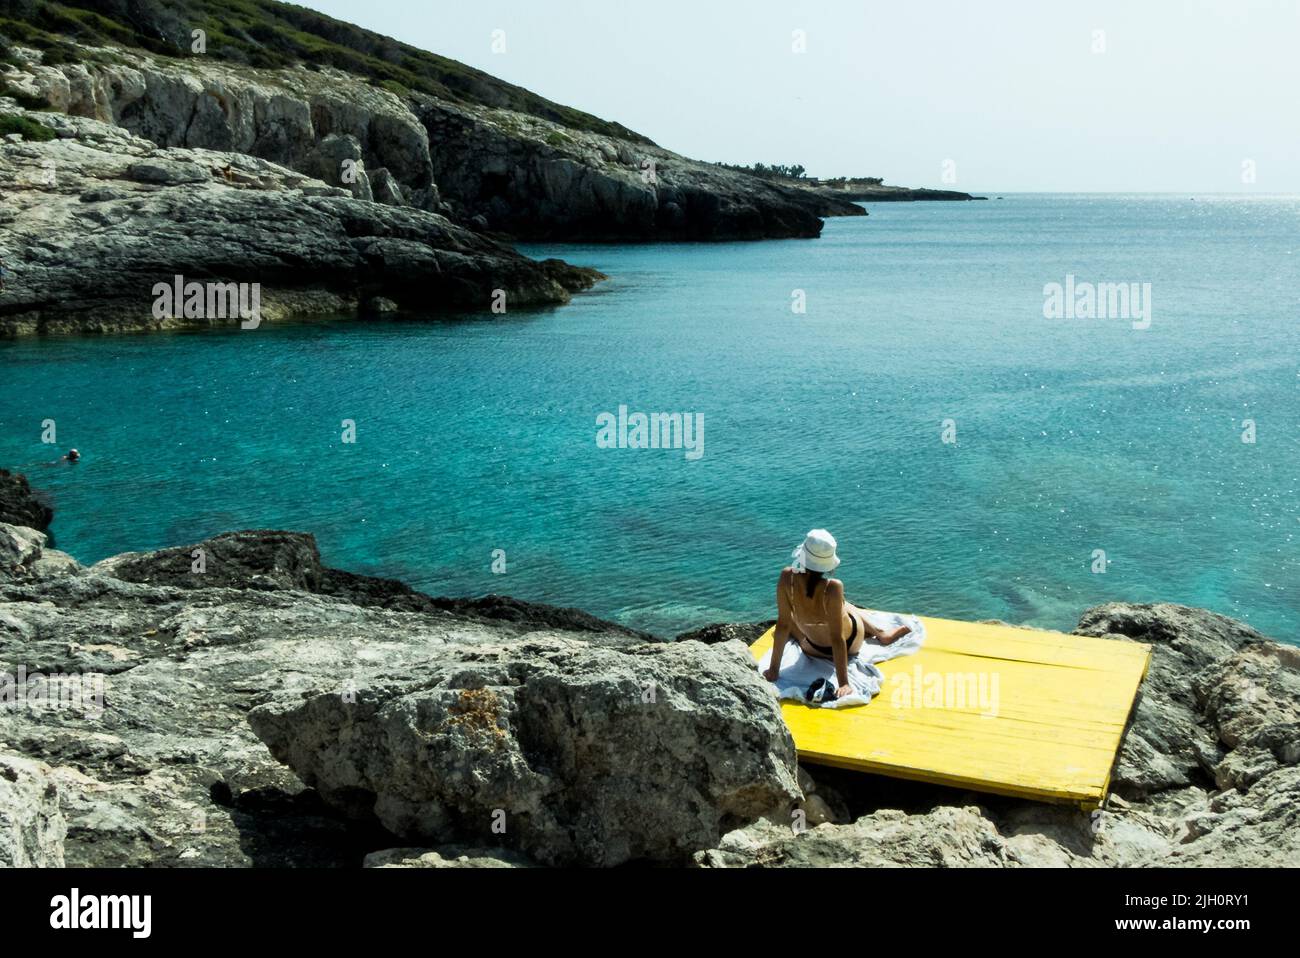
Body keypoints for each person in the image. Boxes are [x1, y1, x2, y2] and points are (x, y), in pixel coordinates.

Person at [763, 529, 911, 700]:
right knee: (844, 605)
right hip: (850, 645)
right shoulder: (832, 587)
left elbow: (783, 624)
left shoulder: (786, 577)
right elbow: (837, 638)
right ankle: (881, 633)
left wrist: (774, 669)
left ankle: (878, 632)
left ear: (803, 556)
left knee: (789, 623)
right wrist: (843, 683)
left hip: (812, 648)